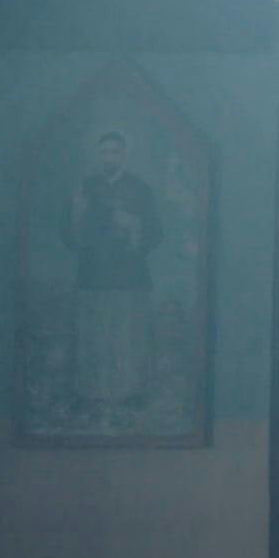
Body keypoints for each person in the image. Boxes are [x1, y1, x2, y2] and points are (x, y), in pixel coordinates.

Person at [62, 126, 161, 413]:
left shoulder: (141, 190)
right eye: (104, 152)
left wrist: (134, 224)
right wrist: (77, 214)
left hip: (130, 277)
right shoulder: (86, 187)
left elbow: (156, 232)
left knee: (128, 336)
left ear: (124, 155)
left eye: (115, 152)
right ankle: (91, 393)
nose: (109, 157)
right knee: (93, 335)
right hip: (92, 275)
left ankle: (131, 394)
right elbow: (69, 234)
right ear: (98, 155)